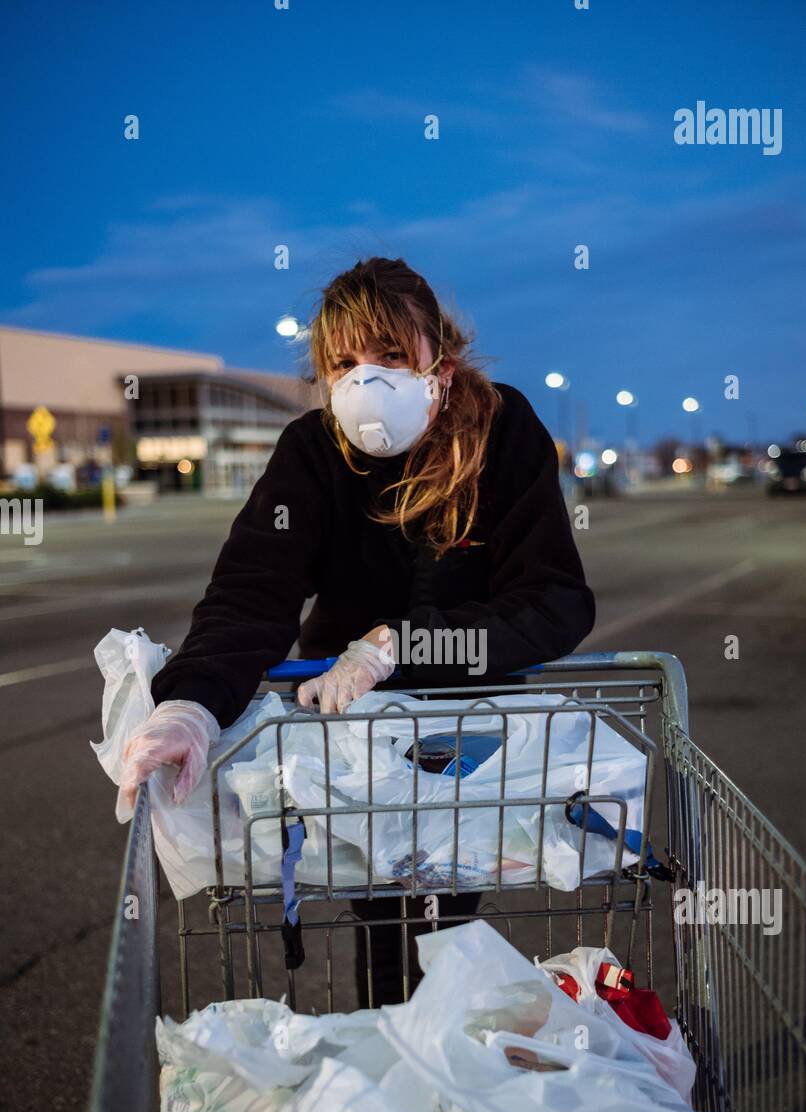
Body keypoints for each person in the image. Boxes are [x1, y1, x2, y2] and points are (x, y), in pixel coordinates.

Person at [120, 256, 596, 1004]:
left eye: (390, 356)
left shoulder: (503, 434)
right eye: (343, 361)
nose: (364, 379)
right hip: (349, 731)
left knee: (434, 912)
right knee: (387, 913)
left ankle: (424, 1049)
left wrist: (401, 647)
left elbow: (554, 602)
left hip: (463, 738)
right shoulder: (313, 453)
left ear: (439, 357)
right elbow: (252, 591)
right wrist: (190, 703)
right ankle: (413, 1049)